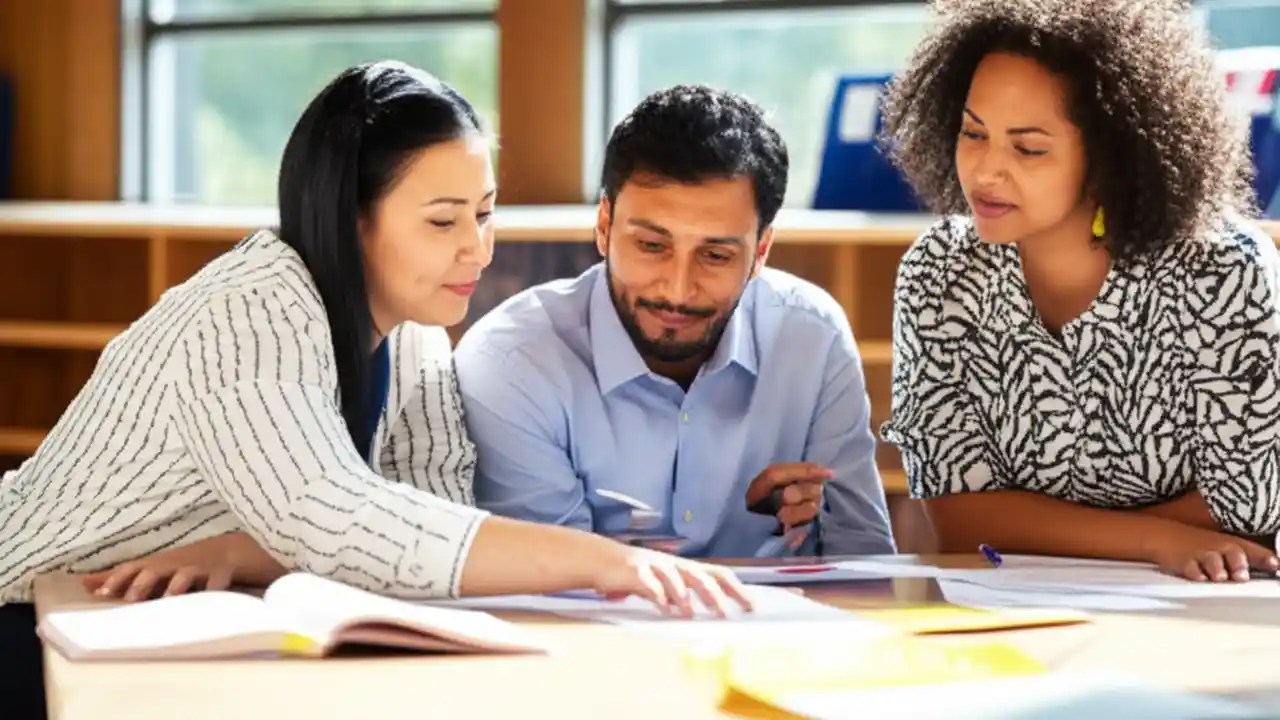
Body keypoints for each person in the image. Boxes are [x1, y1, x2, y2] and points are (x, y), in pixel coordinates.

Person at [0, 62, 750, 720]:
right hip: (28, 614)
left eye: (485, 214)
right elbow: (331, 515)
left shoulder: (416, 333)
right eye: (443, 221)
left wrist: (249, 550)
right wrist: (604, 561)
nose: (478, 248)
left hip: (146, 624)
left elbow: (433, 517)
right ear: (353, 220)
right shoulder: (249, 309)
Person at [878, 0, 1280, 581]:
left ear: (1111, 153)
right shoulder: (939, 273)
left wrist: (1037, 526)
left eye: (1028, 148)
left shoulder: (1223, 272)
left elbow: (1249, 505)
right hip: (1016, 605)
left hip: (1208, 604)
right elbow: (956, 515)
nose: (986, 171)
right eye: (973, 132)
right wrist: (1158, 538)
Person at [454, 85, 896, 559]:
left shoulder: (811, 338)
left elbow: (864, 561)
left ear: (761, 251)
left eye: (715, 255)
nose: (678, 290)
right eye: (651, 246)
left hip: (778, 632)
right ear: (604, 225)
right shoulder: (511, 364)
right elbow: (555, 586)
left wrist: (814, 532)